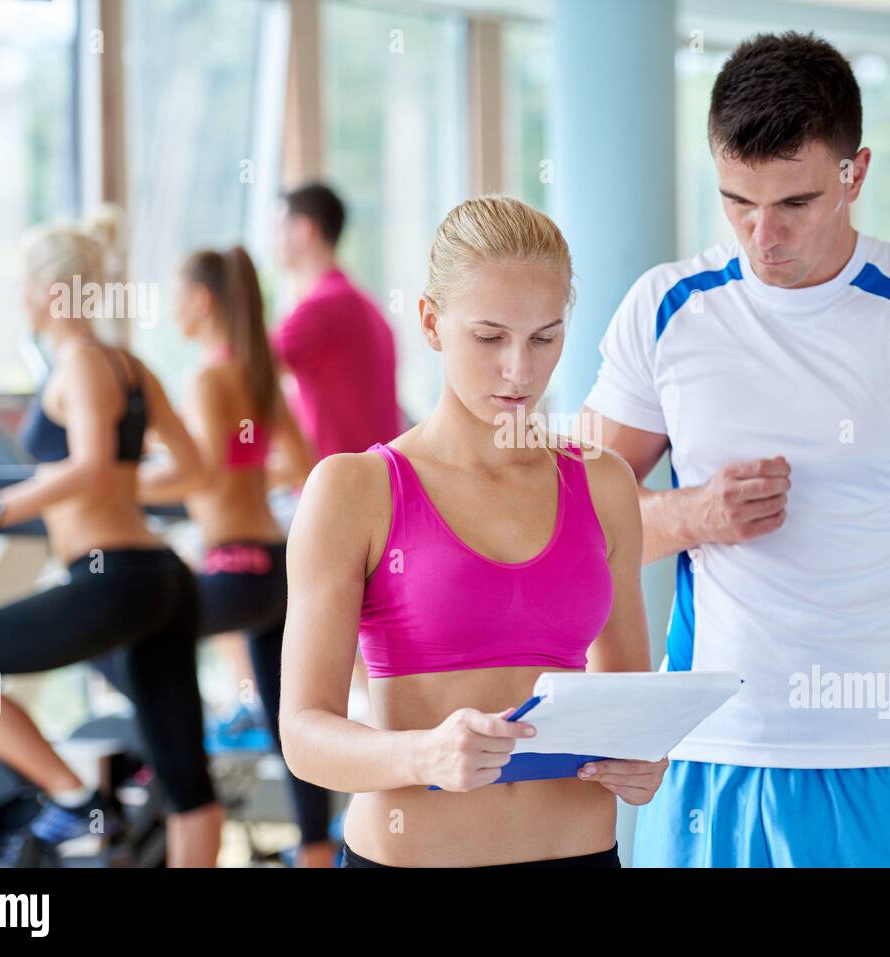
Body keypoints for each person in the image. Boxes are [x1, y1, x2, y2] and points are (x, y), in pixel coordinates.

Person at [581, 32, 890, 868]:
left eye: (794, 203)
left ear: (854, 173)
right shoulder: (664, 308)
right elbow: (570, 525)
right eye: (736, 201)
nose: (763, 236)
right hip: (701, 758)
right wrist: (692, 515)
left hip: (883, 757)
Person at [279, 195, 664, 868]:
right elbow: (304, 734)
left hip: (580, 856)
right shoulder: (354, 491)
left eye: (544, 336)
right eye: (490, 337)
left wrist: (642, 762)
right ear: (431, 322)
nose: (521, 370)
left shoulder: (602, 485)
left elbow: (623, 705)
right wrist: (421, 752)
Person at [0, 221, 224, 867]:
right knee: (185, 775)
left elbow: (86, 464)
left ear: (54, 293)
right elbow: (196, 468)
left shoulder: (81, 362)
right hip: (160, 576)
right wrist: (118, 484)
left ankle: (71, 795)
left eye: (25, 286)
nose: (19, 298)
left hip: (115, 579)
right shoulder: (129, 364)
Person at [154, 245, 333, 866]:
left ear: (201, 300)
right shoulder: (254, 373)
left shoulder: (206, 376)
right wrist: (244, 465)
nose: (172, 307)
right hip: (276, 566)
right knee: (295, 726)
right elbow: (304, 463)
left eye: (176, 294)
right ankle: (314, 852)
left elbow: (195, 474)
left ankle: (176, 770)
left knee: (138, 640)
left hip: (235, 565)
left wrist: (118, 482)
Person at [270, 182, 401, 461]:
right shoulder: (365, 306)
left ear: (304, 231)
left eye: (279, 228)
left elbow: (245, 369)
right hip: (372, 481)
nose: (273, 240)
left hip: (339, 490)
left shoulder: (321, 308)